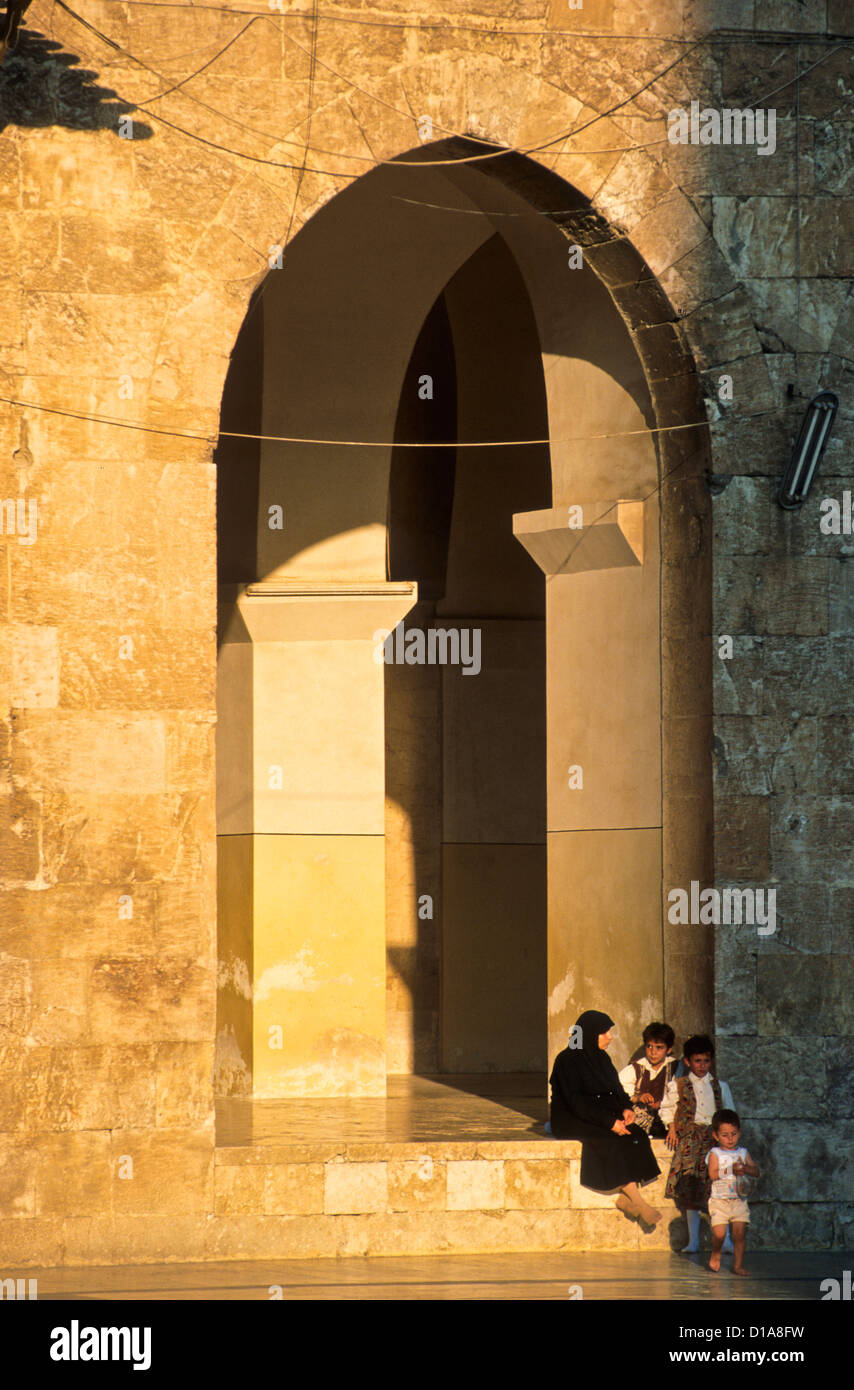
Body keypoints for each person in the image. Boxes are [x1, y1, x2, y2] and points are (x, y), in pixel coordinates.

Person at [550, 1009, 662, 1227]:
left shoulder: (601, 1058)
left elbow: (615, 1089)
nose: (610, 1037)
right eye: (605, 1033)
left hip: (599, 1113)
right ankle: (640, 1203)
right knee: (609, 1139)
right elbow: (576, 1103)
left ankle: (627, 1201)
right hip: (572, 1118)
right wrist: (609, 1123)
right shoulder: (568, 1060)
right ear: (591, 1034)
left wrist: (625, 1109)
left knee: (635, 1134)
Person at [661, 1034, 735, 1254]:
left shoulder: (721, 1086)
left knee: (720, 1192)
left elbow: (729, 1112)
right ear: (687, 1062)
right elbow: (667, 1108)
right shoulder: (677, 1085)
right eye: (697, 1061)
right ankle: (693, 1241)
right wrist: (672, 1128)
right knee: (691, 1192)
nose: (702, 1066)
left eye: (705, 1061)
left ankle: (726, 1240)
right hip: (690, 1142)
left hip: (714, 1141)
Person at [706, 1109, 759, 1276]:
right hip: (719, 1201)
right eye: (725, 1135)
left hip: (739, 1200)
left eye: (733, 1134)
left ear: (739, 1133)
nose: (730, 1139)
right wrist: (729, 1169)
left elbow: (756, 1171)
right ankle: (716, 1251)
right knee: (719, 1234)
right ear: (716, 1136)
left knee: (740, 1234)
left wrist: (746, 1169)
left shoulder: (743, 1153)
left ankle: (737, 1265)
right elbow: (713, 1174)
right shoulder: (715, 1153)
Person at [618, 1022, 676, 1137]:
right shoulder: (636, 1068)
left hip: (667, 1121)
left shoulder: (675, 1068)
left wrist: (662, 1103)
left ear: (668, 1049)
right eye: (649, 1046)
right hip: (640, 1123)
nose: (653, 1052)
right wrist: (638, 1097)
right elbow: (619, 1091)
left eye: (659, 1048)